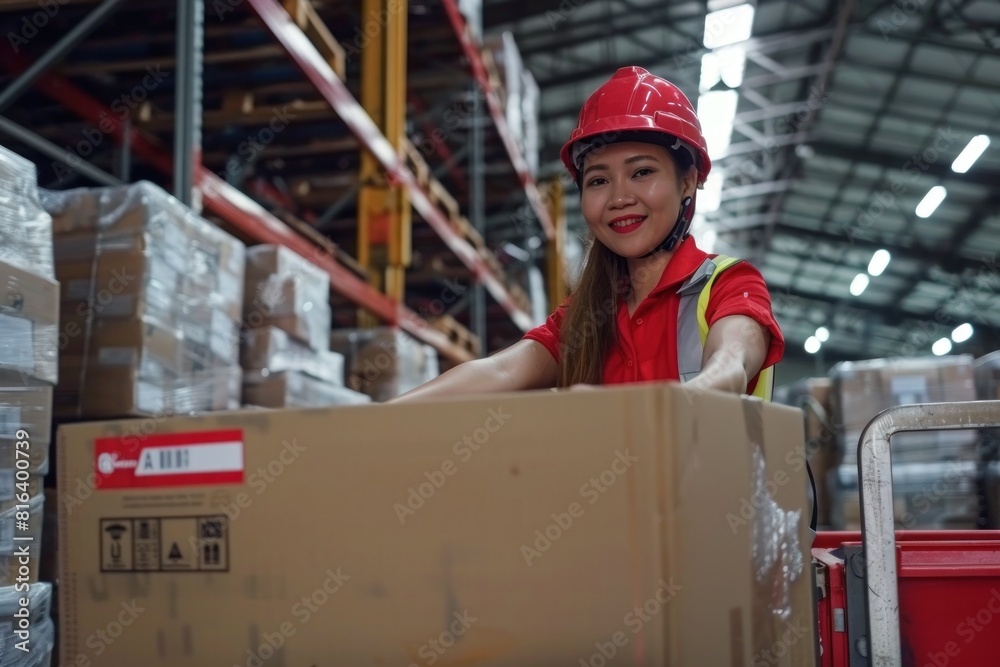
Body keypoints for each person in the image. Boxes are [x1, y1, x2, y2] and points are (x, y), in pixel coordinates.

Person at [392, 66, 783, 402]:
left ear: (688, 181)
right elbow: (500, 372)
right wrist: (376, 417)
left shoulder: (730, 285)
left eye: (642, 172)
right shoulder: (588, 313)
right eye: (598, 180)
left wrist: (651, 406)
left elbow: (730, 366)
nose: (619, 198)